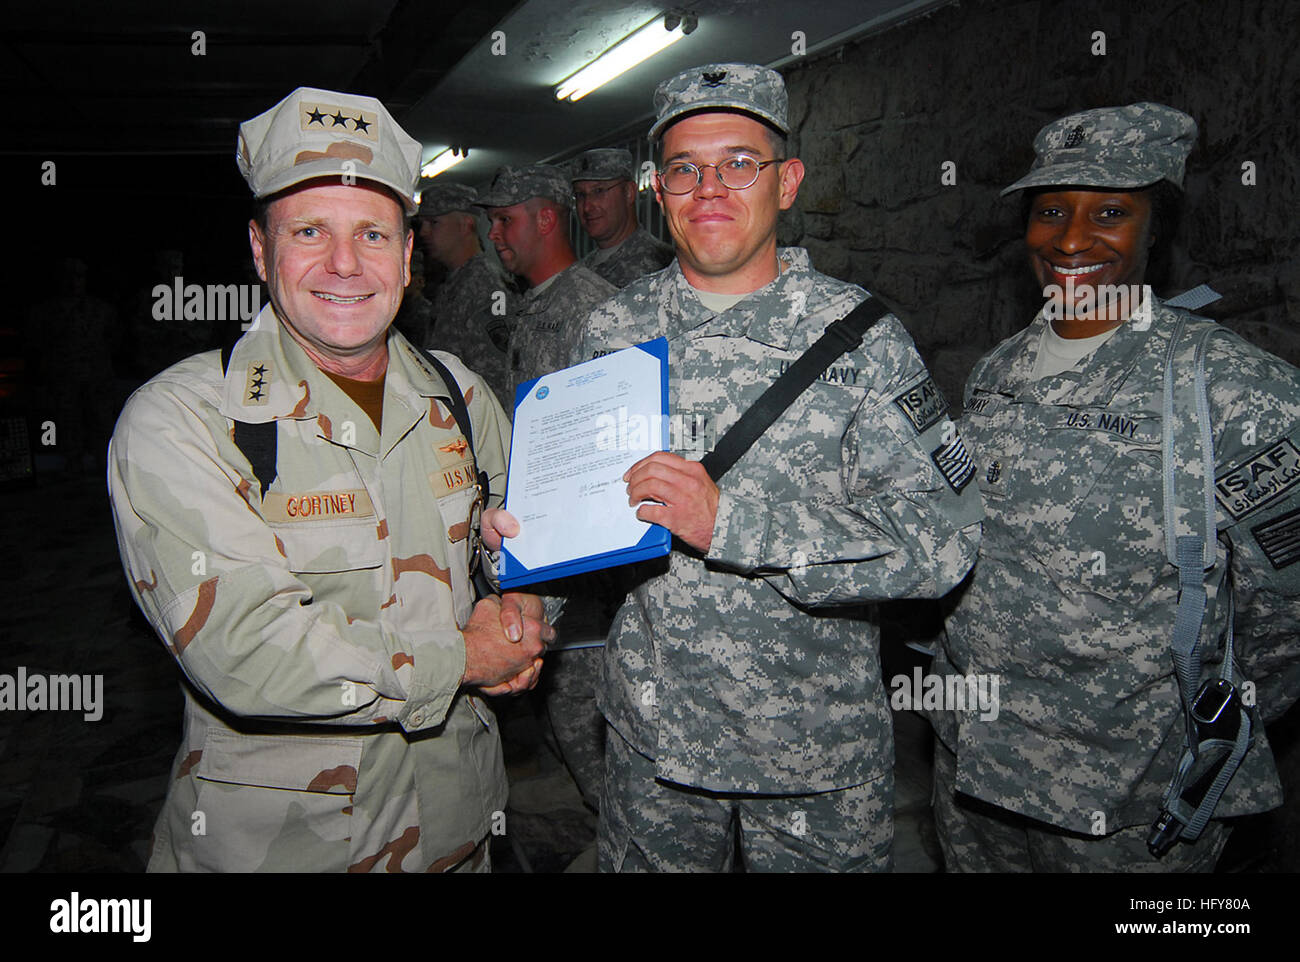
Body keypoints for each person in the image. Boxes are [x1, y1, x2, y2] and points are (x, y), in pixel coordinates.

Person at [486, 63, 982, 872]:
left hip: (814, 763)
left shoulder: (863, 337)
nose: (709, 188)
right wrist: (517, 553)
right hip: (653, 749)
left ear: (786, 183)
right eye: (684, 168)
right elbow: (576, 518)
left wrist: (737, 525)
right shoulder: (612, 329)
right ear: (658, 188)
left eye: (739, 163)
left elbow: (947, 539)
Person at [108, 86, 554, 873]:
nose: (345, 265)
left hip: (458, 832)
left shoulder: (460, 395)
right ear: (258, 248)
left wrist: (520, 598)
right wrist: (466, 658)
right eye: (309, 231)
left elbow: (532, 546)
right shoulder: (182, 421)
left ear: (408, 256)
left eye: (373, 234)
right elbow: (246, 650)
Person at [931, 103, 1300, 871]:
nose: (1070, 239)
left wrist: (1188, 719)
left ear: (1154, 228)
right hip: (973, 767)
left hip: (1129, 801)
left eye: (1109, 211)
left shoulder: (1236, 390)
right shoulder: (998, 370)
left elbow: (1286, 620)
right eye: (1051, 211)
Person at [477, 164, 618, 394]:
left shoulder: (595, 309)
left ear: (545, 220)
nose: (492, 233)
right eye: (491, 221)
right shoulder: (532, 301)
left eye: (504, 219)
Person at [415, 183, 516, 408]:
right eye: (422, 224)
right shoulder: (454, 281)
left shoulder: (484, 284)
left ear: (466, 224)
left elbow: (493, 374)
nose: (423, 232)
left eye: (434, 223)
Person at [570, 148, 674, 288]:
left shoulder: (664, 266)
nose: (587, 206)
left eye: (599, 191)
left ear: (629, 192)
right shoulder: (581, 270)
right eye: (580, 195)